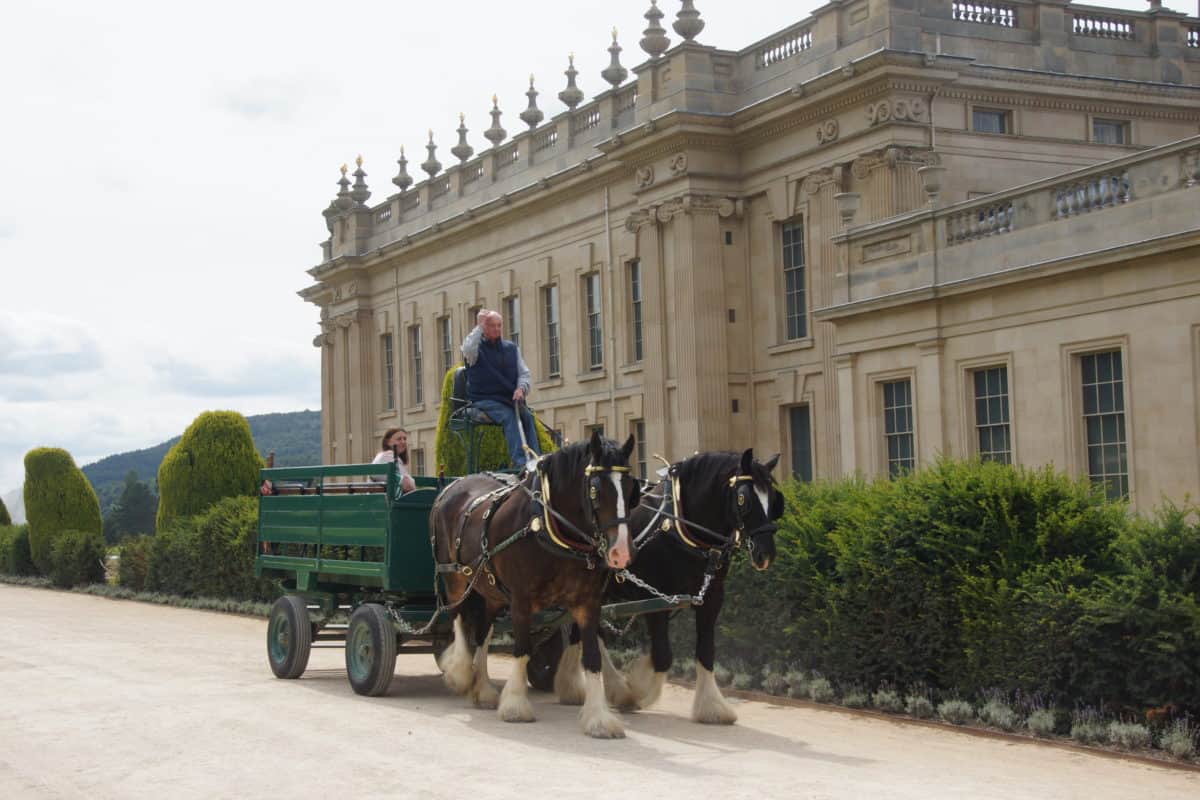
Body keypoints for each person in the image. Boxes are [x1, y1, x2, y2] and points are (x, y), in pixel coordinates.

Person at [461, 308, 541, 469]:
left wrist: (521, 389)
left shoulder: (511, 348)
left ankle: (535, 459)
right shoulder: (475, 351)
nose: (497, 329)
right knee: (508, 416)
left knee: (527, 416)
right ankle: (520, 462)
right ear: (484, 327)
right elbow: (467, 348)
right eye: (492, 325)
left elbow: (524, 374)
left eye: (499, 325)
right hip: (484, 399)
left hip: (508, 398)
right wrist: (479, 327)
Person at [371, 427, 417, 493]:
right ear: (388, 442)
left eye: (405, 439)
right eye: (399, 439)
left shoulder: (382, 455)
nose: (403, 442)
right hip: (389, 498)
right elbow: (407, 484)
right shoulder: (389, 455)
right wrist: (412, 482)